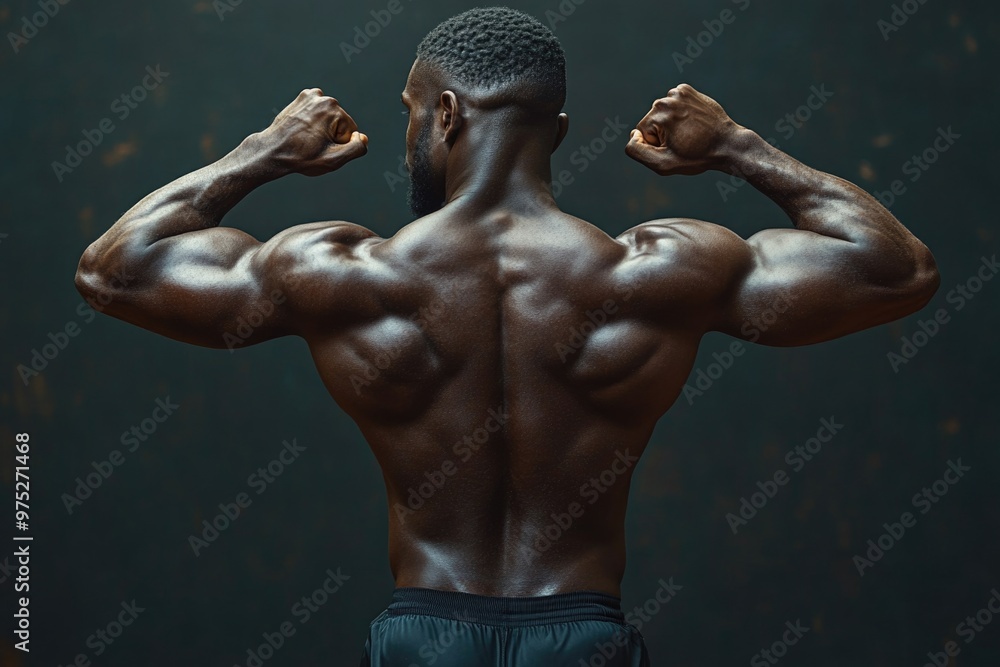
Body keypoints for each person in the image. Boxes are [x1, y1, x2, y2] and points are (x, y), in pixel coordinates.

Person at [74, 7, 939, 666]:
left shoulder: (341, 270)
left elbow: (114, 271)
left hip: (425, 635)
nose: (410, 134)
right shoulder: (658, 271)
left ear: (445, 114)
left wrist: (263, 151)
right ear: (556, 133)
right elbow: (895, 270)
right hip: (582, 635)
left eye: (413, 114)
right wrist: (739, 148)